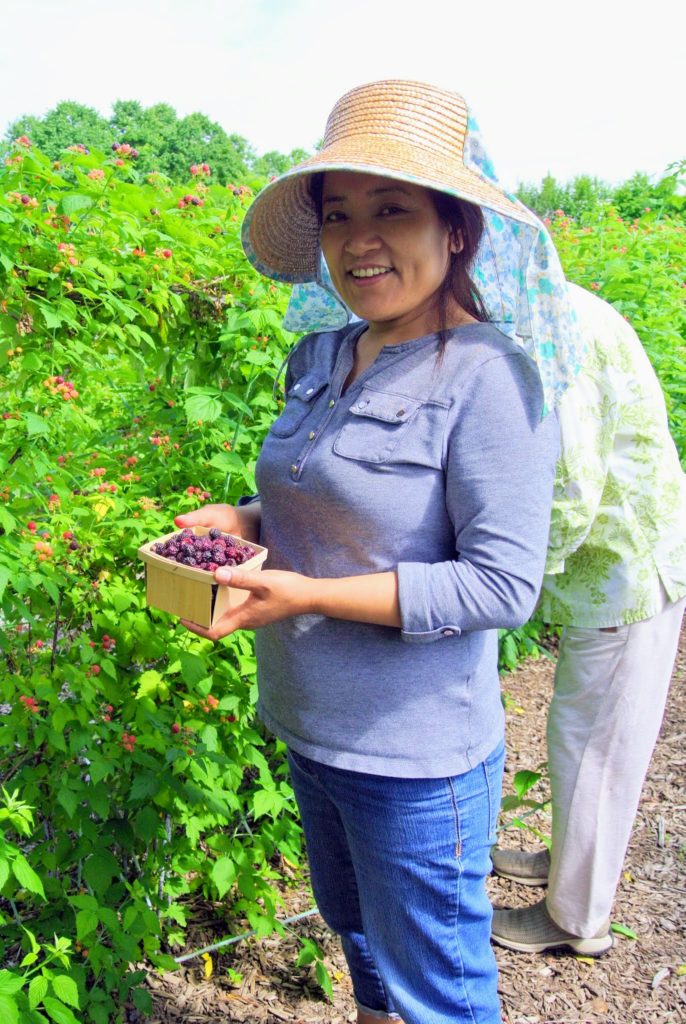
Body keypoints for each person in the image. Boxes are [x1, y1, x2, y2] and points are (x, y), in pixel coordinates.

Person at [176, 79, 567, 1024]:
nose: (359, 240)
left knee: (440, 993)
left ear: (456, 230)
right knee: (362, 948)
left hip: (414, 757)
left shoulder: (489, 378)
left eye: (392, 209)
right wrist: (242, 524)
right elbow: (329, 505)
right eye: (338, 214)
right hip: (311, 723)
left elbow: (501, 585)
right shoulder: (320, 357)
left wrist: (306, 594)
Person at [490, 282, 686, 956]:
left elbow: (572, 488)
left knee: (595, 743)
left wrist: (501, 577)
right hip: (617, 558)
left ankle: (575, 919)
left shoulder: (548, 330)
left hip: (628, 566)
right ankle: (570, 861)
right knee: (582, 728)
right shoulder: (548, 303)